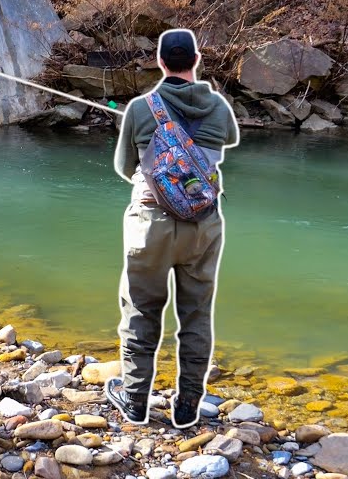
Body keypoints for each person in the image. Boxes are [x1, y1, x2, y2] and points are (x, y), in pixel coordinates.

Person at [106, 28, 240, 428]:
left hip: (151, 223)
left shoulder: (141, 107)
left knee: (141, 310)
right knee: (197, 314)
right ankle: (187, 407)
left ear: (160, 62)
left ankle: (134, 400)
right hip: (203, 224)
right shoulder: (218, 107)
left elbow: (122, 167)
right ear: (196, 61)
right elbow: (229, 139)